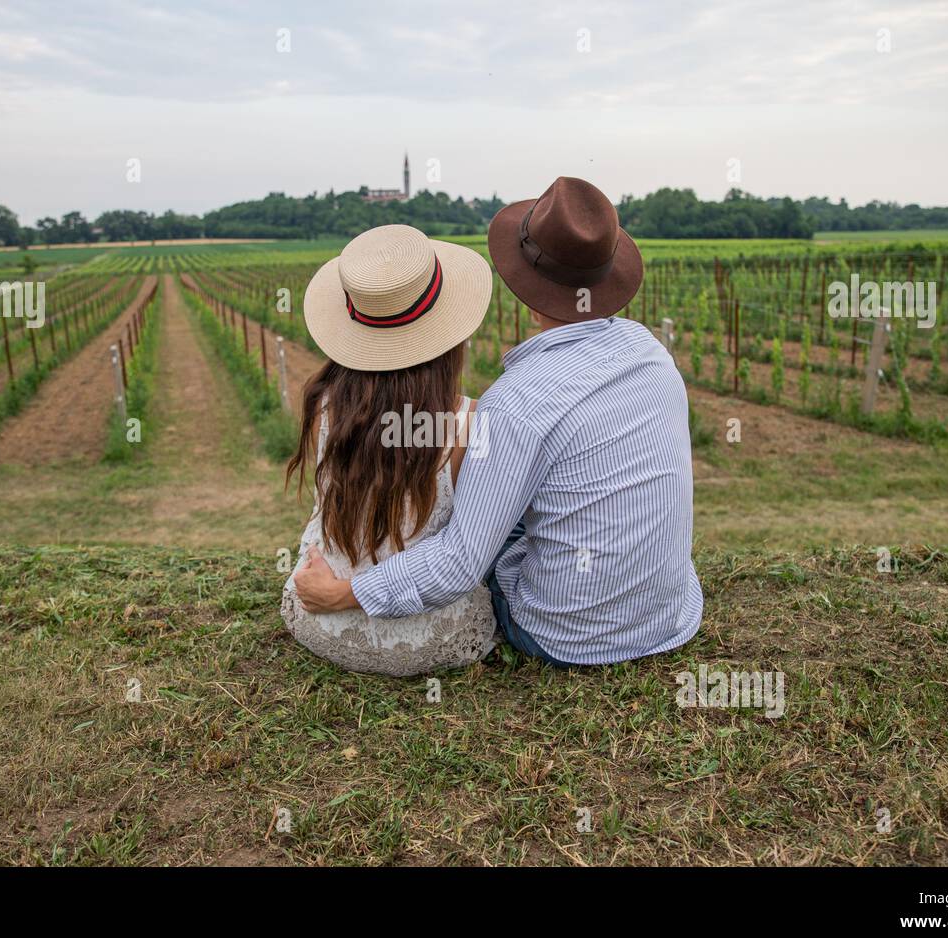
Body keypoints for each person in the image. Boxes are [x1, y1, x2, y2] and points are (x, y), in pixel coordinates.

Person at [295, 176, 702, 667]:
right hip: (670, 617)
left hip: (566, 639)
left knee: (488, 520)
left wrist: (342, 594)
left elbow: (461, 564)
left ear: (523, 286)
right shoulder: (652, 354)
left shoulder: (513, 404)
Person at [280, 223, 498, 676]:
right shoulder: (470, 422)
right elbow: (471, 547)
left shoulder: (323, 405)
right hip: (435, 639)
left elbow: (322, 514)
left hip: (324, 623)